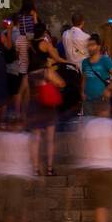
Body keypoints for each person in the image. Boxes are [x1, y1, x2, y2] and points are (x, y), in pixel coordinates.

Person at [27, 22, 64, 175]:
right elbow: (61, 82)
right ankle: (49, 168)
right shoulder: (46, 70)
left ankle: (35, 168)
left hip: (34, 102)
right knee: (50, 138)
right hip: (47, 104)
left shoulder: (30, 73)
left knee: (35, 138)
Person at [81, 35, 112, 119]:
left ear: (99, 47)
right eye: (88, 45)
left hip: (102, 99)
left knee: (102, 126)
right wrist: (82, 92)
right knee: (89, 127)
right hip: (88, 100)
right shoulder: (85, 62)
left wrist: (109, 89)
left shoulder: (105, 60)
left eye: (92, 45)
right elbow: (84, 77)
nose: (90, 48)